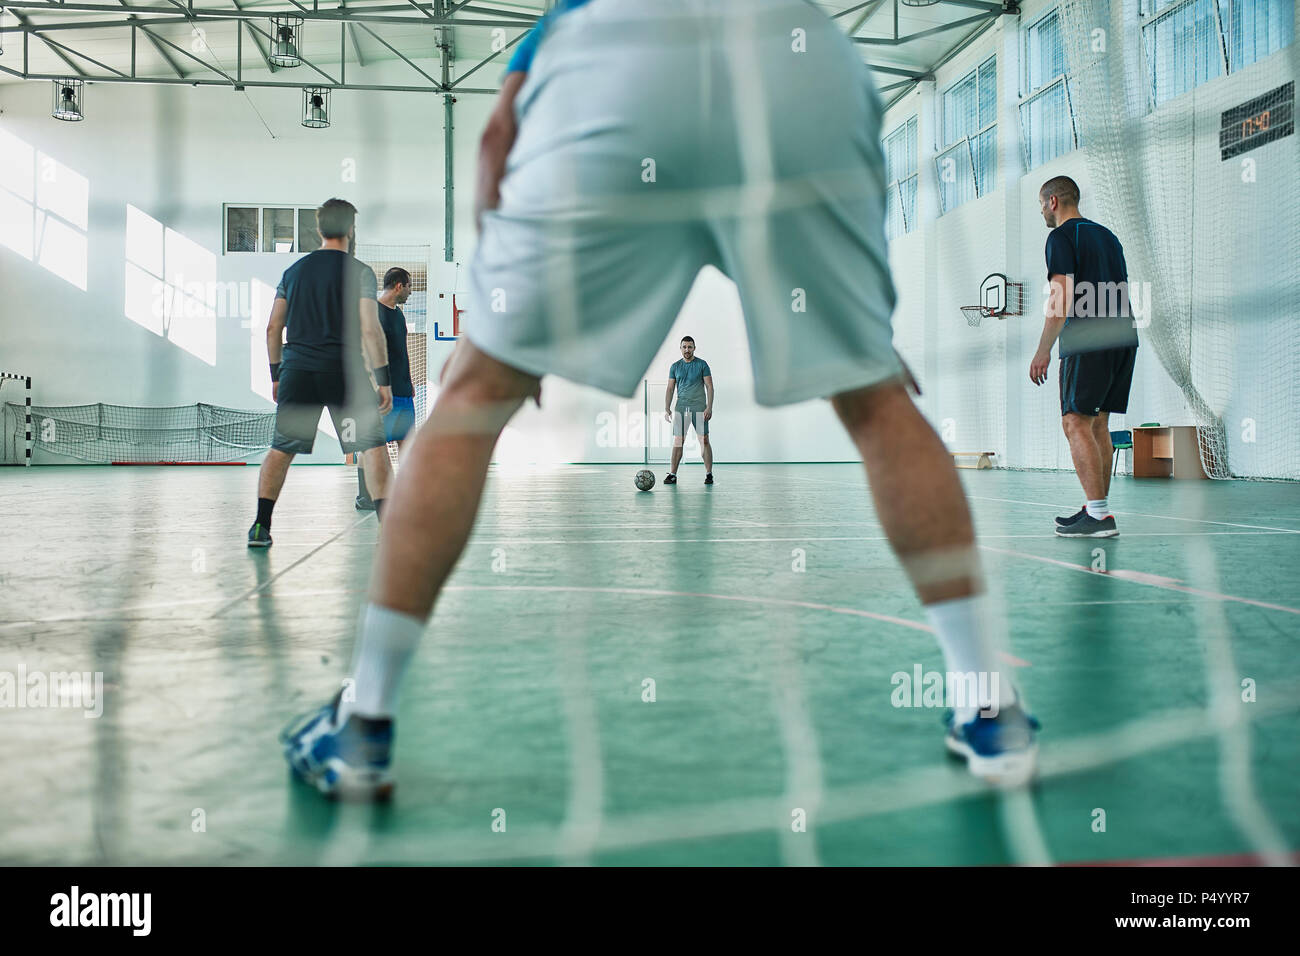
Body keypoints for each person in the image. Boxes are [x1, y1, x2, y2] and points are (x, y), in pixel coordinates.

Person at [282, 0, 1037, 798]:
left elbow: (501, 132)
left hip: (620, 59)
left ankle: (364, 723)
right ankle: (990, 707)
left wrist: (511, 318)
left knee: (471, 401)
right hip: (800, 62)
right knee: (880, 400)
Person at [248, 199, 393, 548]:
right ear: (351, 229)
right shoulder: (360, 272)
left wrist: (276, 375)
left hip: (298, 371)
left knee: (281, 450)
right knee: (372, 448)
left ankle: (260, 526)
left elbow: (272, 329)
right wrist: (383, 379)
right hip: (345, 375)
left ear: (318, 229)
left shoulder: (293, 273)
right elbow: (370, 329)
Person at [1029, 176, 1139, 538]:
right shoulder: (1108, 236)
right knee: (1097, 425)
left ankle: (1100, 516)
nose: (1042, 211)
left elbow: (1060, 298)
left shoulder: (1060, 237)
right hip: (1123, 337)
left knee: (1075, 422)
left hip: (1088, 339)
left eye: (1042, 204)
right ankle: (1097, 509)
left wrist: (1043, 349)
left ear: (1054, 201)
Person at [356, 267, 418, 511]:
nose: (411, 292)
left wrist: (409, 380)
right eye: (410, 287)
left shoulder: (399, 314)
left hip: (403, 391)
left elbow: (401, 352)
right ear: (399, 286)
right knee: (373, 445)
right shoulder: (374, 313)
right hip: (384, 393)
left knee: (406, 442)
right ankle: (365, 496)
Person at [663, 336, 714, 485]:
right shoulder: (675, 366)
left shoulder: (702, 364)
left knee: (704, 440)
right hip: (681, 407)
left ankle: (709, 474)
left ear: (694, 348)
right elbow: (670, 388)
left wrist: (709, 407)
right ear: (680, 348)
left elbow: (709, 386)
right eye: (684, 347)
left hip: (699, 407)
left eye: (690, 347)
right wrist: (667, 407)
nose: (687, 350)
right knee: (678, 441)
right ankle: (673, 474)